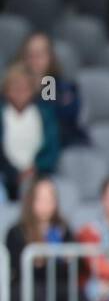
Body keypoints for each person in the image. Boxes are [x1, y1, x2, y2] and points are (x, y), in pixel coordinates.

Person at [0, 64, 60, 200]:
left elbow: (52, 148)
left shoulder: (45, 114)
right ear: (6, 90)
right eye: (15, 87)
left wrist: (35, 168)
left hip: (39, 174)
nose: (20, 92)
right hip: (4, 176)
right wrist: (14, 174)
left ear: (32, 90)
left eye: (24, 88)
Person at [18, 31, 88, 147]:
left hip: (64, 145)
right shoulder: (11, 89)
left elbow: (62, 116)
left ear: (50, 57)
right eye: (30, 54)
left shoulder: (64, 88)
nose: (35, 59)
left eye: (40, 54)